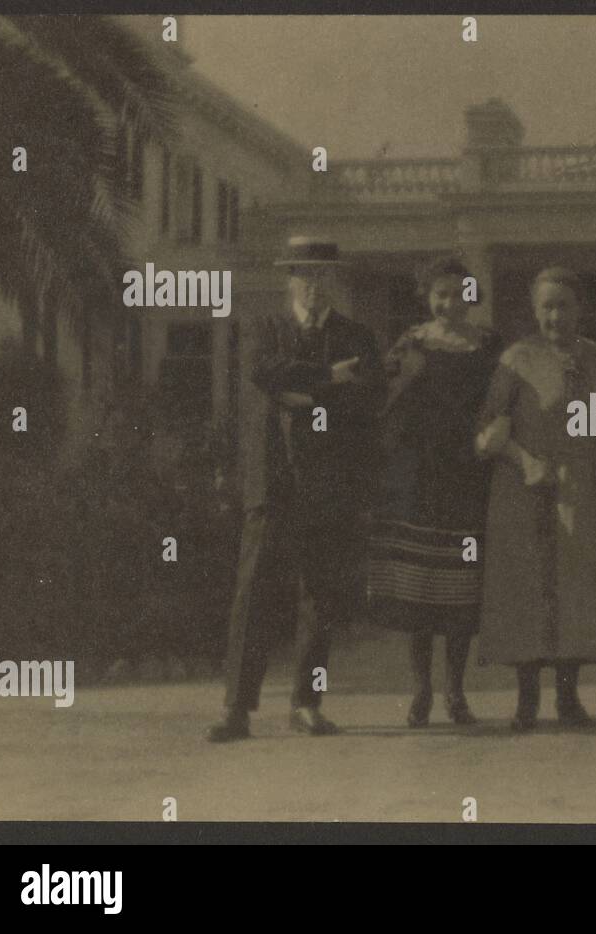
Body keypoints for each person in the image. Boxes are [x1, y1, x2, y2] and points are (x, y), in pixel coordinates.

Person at [208, 236, 383, 742]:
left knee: (320, 597)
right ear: (288, 280)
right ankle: (236, 708)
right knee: (253, 593)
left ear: (336, 280)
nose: (313, 284)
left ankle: (307, 703)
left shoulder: (357, 336)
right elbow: (263, 371)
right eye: (303, 274)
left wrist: (300, 393)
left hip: (330, 484)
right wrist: (329, 377)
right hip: (272, 479)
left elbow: (369, 399)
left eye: (323, 274)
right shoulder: (266, 328)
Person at [474, 266, 596, 732]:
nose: (556, 316)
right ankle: (527, 700)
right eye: (546, 307)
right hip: (524, 485)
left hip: (577, 486)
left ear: (580, 309)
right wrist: (523, 459)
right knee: (526, 588)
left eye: (564, 306)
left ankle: (569, 698)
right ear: (535, 311)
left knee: (575, 589)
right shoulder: (516, 359)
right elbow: (488, 429)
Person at [369, 254, 501, 727]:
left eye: (458, 294)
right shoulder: (410, 344)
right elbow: (386, 403)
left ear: (472, 297)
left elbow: (502, 402)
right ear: (427, 297)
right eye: (440, 294)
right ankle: (422, 688)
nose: (449, 303)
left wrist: (491, 433)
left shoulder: (487, 346)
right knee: (421, 589)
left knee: (461, 591)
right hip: (421, 477)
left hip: (468, 475)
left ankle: (456, 692)